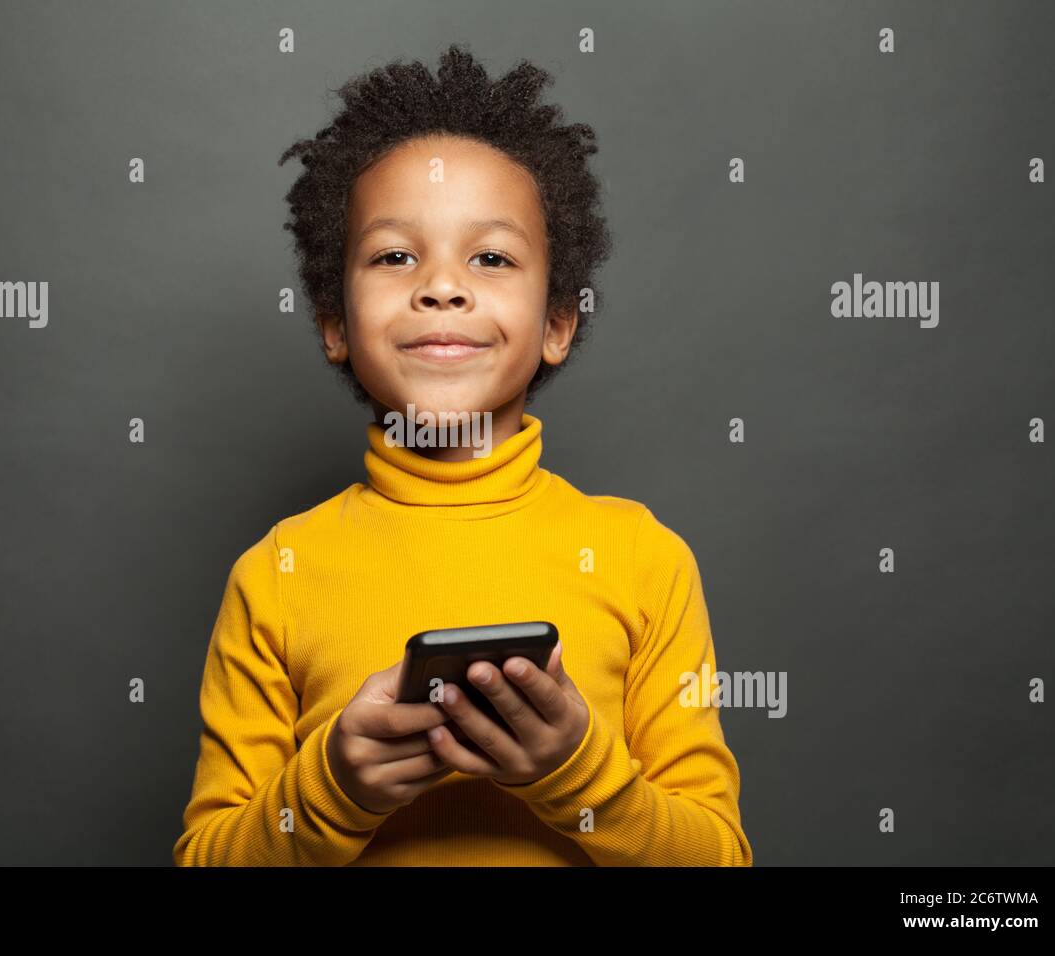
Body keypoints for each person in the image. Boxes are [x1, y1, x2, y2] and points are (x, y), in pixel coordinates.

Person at [173, 44, 752, 866]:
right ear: (335, 323)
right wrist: (334, 787)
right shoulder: (276, 577)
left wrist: (577, 774)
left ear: (557, 323)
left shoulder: (645, 562)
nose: (442, 287)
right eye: (394, 255)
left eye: (491, 257)